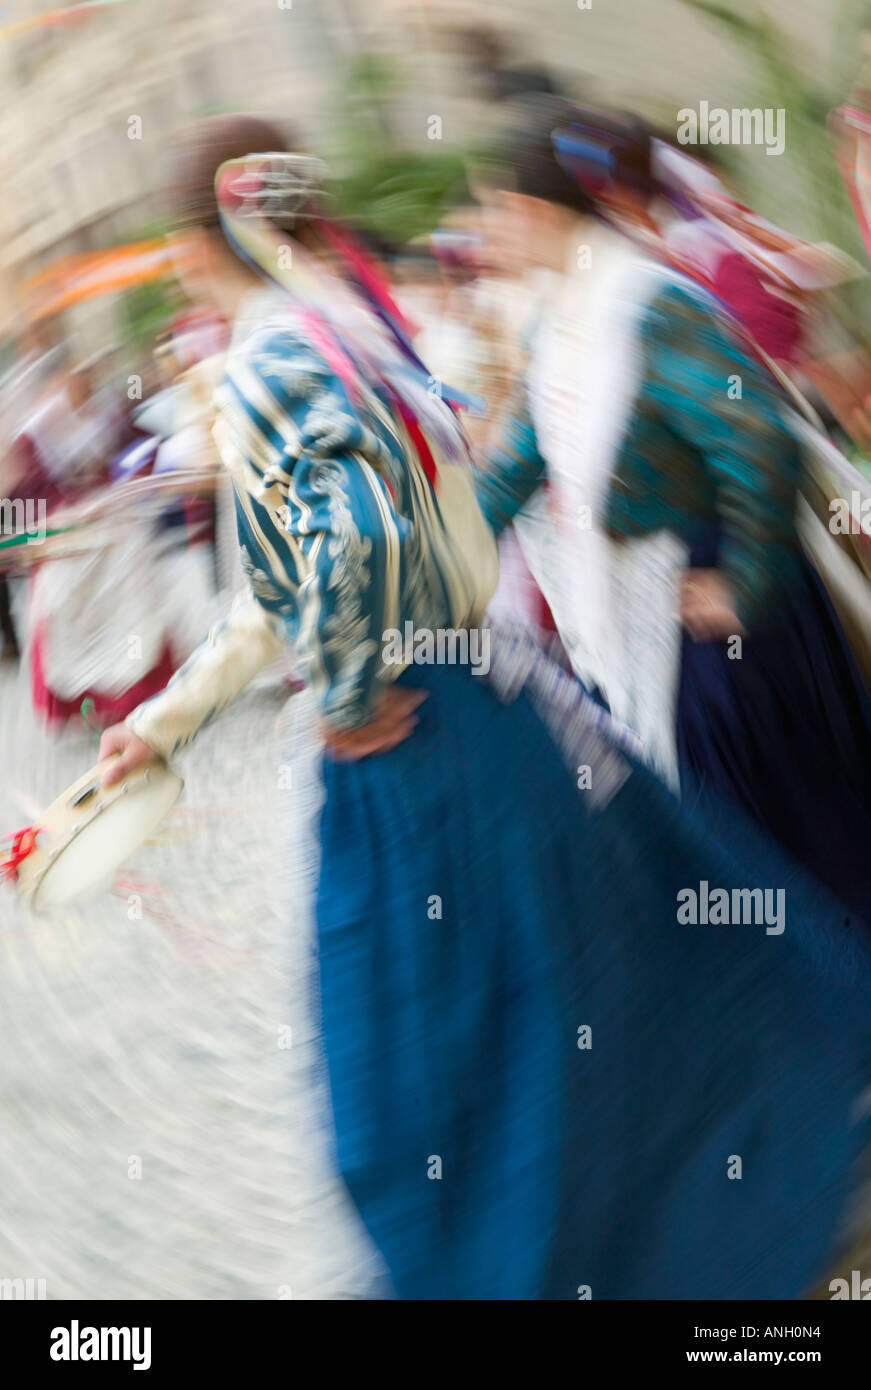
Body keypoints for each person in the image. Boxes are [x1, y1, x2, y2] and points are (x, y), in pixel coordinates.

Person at [99, 114, 871, 1299]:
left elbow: (348, 542)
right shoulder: (356, 331)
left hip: (417, 735)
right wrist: (164, 720)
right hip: (493, 689)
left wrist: (350, 697)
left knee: (432, 1070)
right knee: (583, 986)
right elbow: (407, 521)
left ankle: (566, 1252)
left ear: (197, 243)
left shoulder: (270, 360)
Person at [473, 96, 871, 924]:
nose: (483, 233)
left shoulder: (651, 305)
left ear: (534, 207)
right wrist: (419, 557)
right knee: (733, 857)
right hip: (651, 614)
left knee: (780, 851)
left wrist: (742, 584)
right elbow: (518, 465)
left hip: (720, 630)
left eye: (491, 208)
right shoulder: (561, 322)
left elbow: (758, 442)